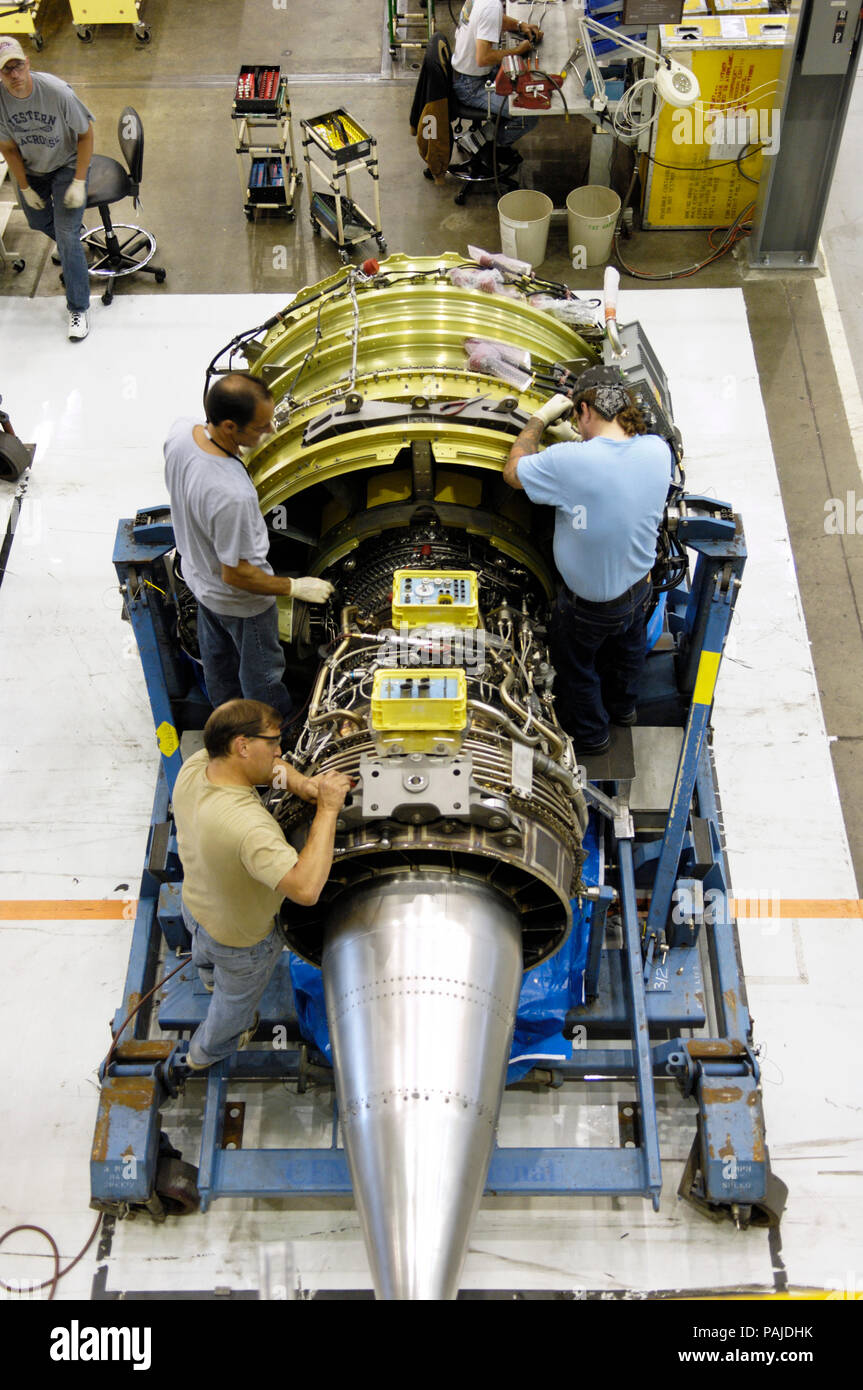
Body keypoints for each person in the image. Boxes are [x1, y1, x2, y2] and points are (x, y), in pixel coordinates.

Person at [172, 698, 352, 1070]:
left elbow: (267, 771)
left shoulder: (199, 765)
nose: (279, 750)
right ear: (242, 745)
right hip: (240, 941)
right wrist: (329, 809)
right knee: (233, 1007)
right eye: (272, 743)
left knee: (205, 947)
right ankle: (207, 1051)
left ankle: (207, 976)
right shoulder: (247, 827)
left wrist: (302, 785)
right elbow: (305, 889)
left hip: (196, 902)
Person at [503, 366, 671, 755]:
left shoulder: (568, 461)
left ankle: (593, 736)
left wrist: (538, 421)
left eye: (577, 418)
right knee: (627, 656)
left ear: (584, 409)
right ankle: (624, 711)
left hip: (587, 608)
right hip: (639, 590)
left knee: (577, 670)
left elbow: (513, 473)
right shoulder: (656, 450)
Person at [164, 373, 333, 732]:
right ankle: (275, 739)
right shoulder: (231, 494)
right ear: (228, 426)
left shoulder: (182, 433)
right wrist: (294, 587)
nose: (270, 430)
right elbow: (237, 574)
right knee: (264, 680)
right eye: (260, 426)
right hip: (242, 605)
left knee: (220, 668)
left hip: (201, 583)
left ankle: (226, 724)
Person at [0, 37, 93, 341]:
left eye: (17, 66)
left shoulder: (56, 92)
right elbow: (9, 149)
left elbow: (86, 134)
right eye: (5, 70)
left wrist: (79, 180)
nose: (13, 75)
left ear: (27, 63)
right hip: (31, 168)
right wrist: (24, 187)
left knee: (66, 239)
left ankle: (78, 307)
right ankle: (74, 245)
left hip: (66, 164)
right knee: (37, 221)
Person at [450, 0, 543, 167]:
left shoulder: (488, 3)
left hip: (465, 73)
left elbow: (494, 19)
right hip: (471, 86)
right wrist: (517, 51)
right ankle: (488, 146)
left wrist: (521, 26)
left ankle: (479, 138)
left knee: (520, 83)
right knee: (528, 111)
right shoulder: (491, 6)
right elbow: (483, 58)